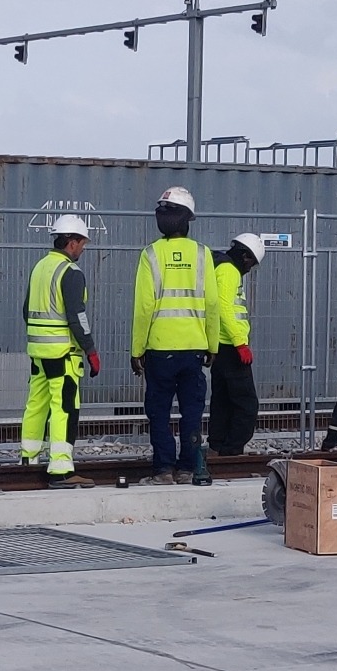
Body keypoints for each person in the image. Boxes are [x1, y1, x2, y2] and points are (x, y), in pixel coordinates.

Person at [131, 186, 222, 485]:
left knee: (158, 412)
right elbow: (211, 303)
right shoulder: (202, 254)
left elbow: (144, 307)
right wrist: (213, 344)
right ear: (188, 219)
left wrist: (137, 349)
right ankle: (187, 469)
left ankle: (163, 470)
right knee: (192, 413)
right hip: (194, 348)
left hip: (159, 349)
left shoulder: (151, 255)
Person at [20, 214, 99, 489]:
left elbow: (25, 309)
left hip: (38, 351)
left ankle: (27, 462)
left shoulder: (40, 267)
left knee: (36, 405)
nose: (83, 248)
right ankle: (61, 470)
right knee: (64, 408)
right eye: (82, 243)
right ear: (72, 242)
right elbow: (77, 316)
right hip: (63, 353)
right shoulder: (70, 272)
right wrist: (90, 350)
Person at [208, 233, 266, 457]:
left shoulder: (219, 267)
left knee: (222, 401)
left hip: (221, 347)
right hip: (231, 348)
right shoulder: (229, 271)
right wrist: (240, 343)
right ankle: (231, 451)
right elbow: (224, 308)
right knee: (247, 404)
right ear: (244, 255)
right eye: (251, 262)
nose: (250, 268)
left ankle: (217, 445)